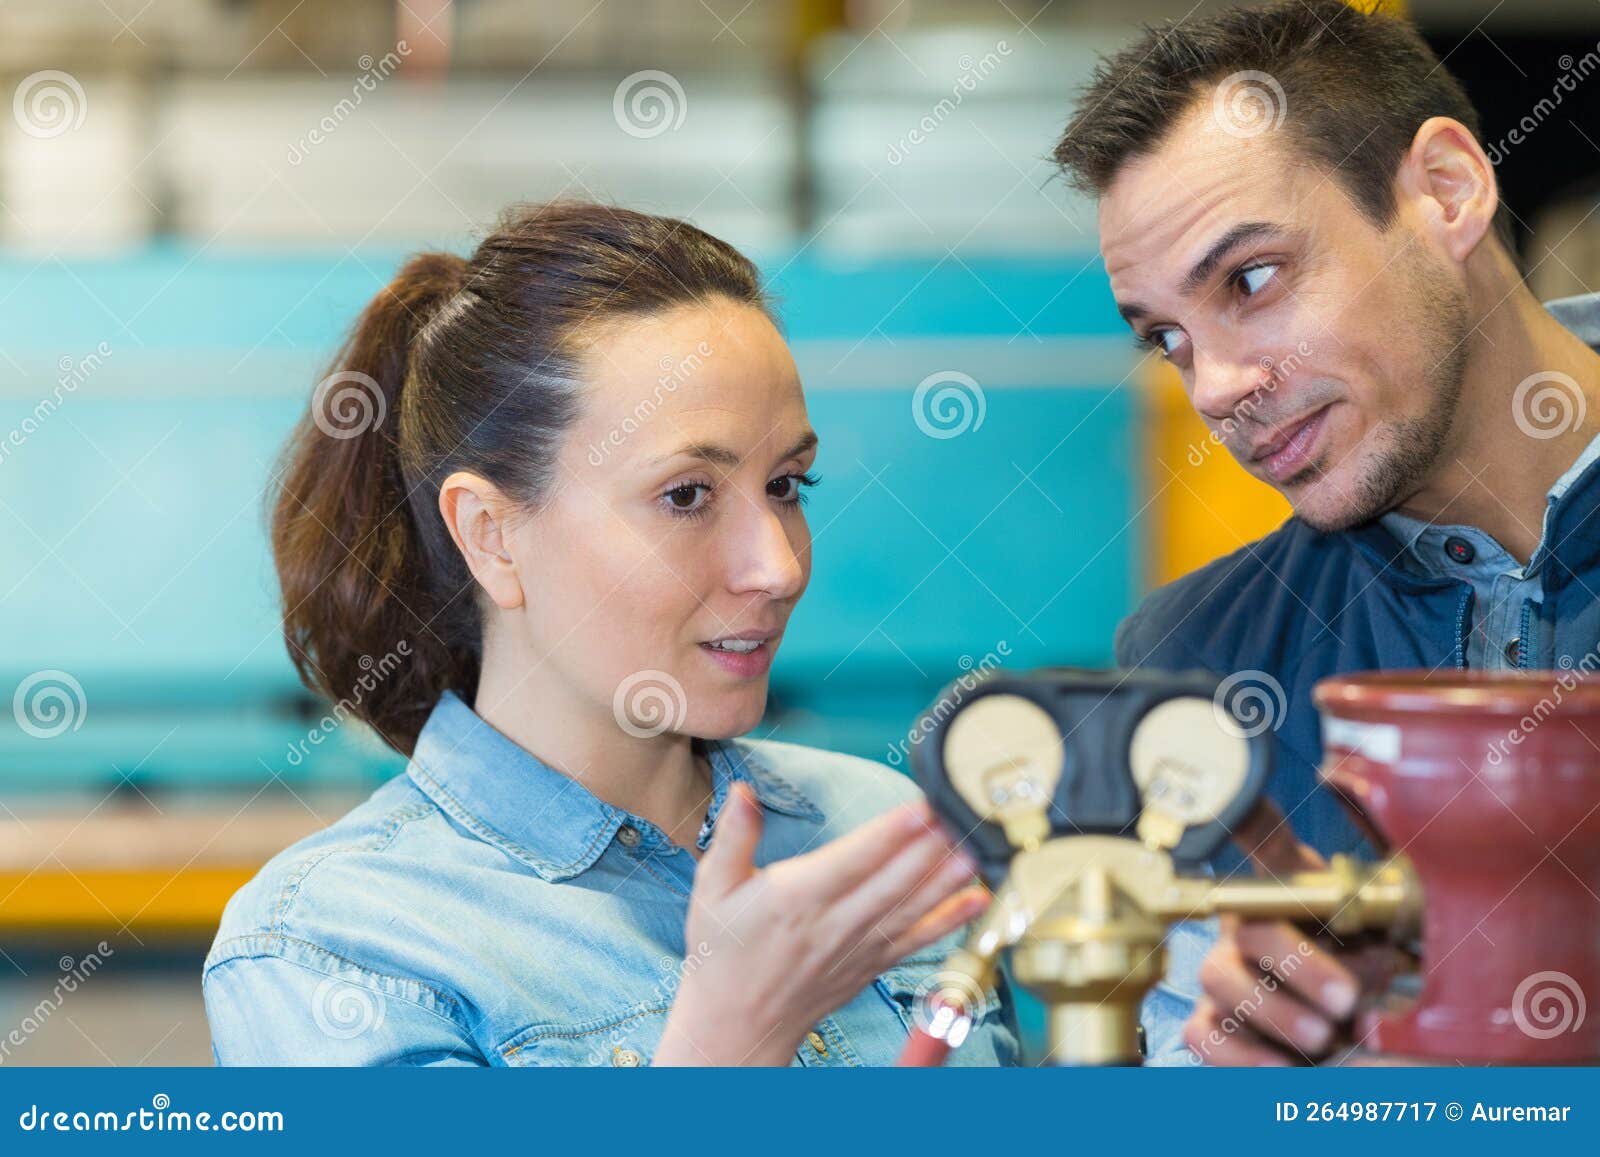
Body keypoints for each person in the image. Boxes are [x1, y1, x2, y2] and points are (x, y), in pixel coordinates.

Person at [202, 201, 1020, 1067]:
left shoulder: (885, 833)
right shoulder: (336, 947)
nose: (777, 567)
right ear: (490, 533)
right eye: (687, 495)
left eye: (786, 484)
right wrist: (729, 1046)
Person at [1053, 0, 1600, 1064]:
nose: (1215, 388)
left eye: (1251, 279)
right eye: (1166, 336)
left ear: (1446, 190)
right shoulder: (1192, 668)